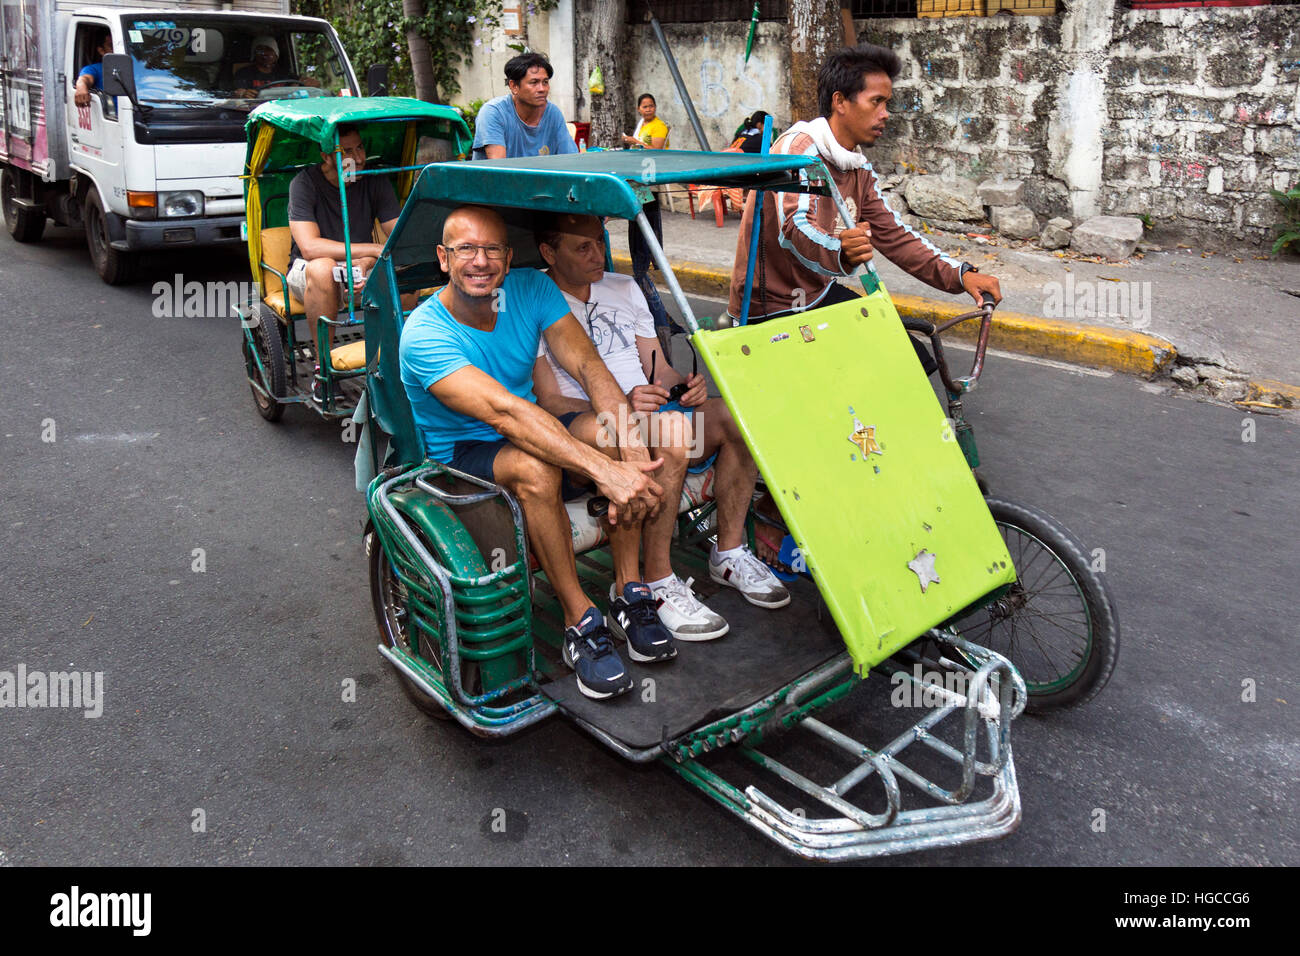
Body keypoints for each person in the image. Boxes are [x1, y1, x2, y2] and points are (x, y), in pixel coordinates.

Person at [399, 205, 675, 701]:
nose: (479, 261)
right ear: (444, 258)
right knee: (535, 466)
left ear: (508, 258)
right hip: (464, 459)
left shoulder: (530, 289)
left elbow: (589, 366)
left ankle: (628, 592)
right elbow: (504, 415)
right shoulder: (424, 332)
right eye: (466, 249)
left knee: (614, 432)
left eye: (491, 250)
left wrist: (630, 453)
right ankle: (578, 617)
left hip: (536, 429)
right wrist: (605, 473)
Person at [533, 213, 791, 641]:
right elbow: (550, 400)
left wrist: (684, 387)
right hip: (595, 428)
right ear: (547, 253)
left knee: (736, 415)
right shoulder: (537, 298)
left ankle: (727, 552)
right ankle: (656, 581)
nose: (599, 255)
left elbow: (660, 370)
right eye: (583, 248)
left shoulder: (623, 287)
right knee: (671, 431)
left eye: (601, 242)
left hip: (655, 415)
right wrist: (626, 407)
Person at [726, 43, 1002, 331]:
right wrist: (840, 251)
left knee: (912, 357)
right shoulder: (798, 149)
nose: (885, 114)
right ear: (840, 101)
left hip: (818, 295)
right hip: (768, 307)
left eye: (887, 104)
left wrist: (960, 275)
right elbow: (794, 228)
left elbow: (894, 235)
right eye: (876, 102)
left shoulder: (856, 165)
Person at [287, 123, 401, 384]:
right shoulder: (304, 184)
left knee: (402, 270)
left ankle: (391, 358)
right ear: (326, 156)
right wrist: (372, 249)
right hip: (310, 271)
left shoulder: (373, 178)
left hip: (361, 265)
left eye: (360, 148)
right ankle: (322, 367)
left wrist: (366, 260)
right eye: (347, 152)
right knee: (323, 267)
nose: (359, 159)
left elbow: (395, 234)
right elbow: (310, 248)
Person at [620, 93, 673, 335]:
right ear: (639, 108)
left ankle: (645, 266)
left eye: (651, 105)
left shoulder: (659, 126)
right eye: (644, 106)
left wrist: (635, 141)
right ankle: (641, 269)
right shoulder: (643, 124)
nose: (648, 109)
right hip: (639, 180)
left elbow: (656, 149)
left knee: (647, 223)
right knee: (637, 222)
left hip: (650, 179)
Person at [471, 52, 578, 160]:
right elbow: (499, 167)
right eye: (534, 82)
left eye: (545, 82)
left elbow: (571, 160)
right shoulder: (493, 112)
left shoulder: (553, 113)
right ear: (514, 86)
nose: (542, 89)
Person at [233, 36, 307, 98]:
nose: (265, 54)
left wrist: (307, 83)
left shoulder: (285, 73)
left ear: (276, 55)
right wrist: (243, 94)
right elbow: (237, 93)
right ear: (254, 54)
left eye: (269, 50)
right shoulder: (243, 73)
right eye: (260, 50)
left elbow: (302, 82)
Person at [73, 29, 113, 108]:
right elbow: (85, 78)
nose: (117, 50)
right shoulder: (94, 69)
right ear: (101, 50)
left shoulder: (136, 67)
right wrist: (81, 87)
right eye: (111, 46)